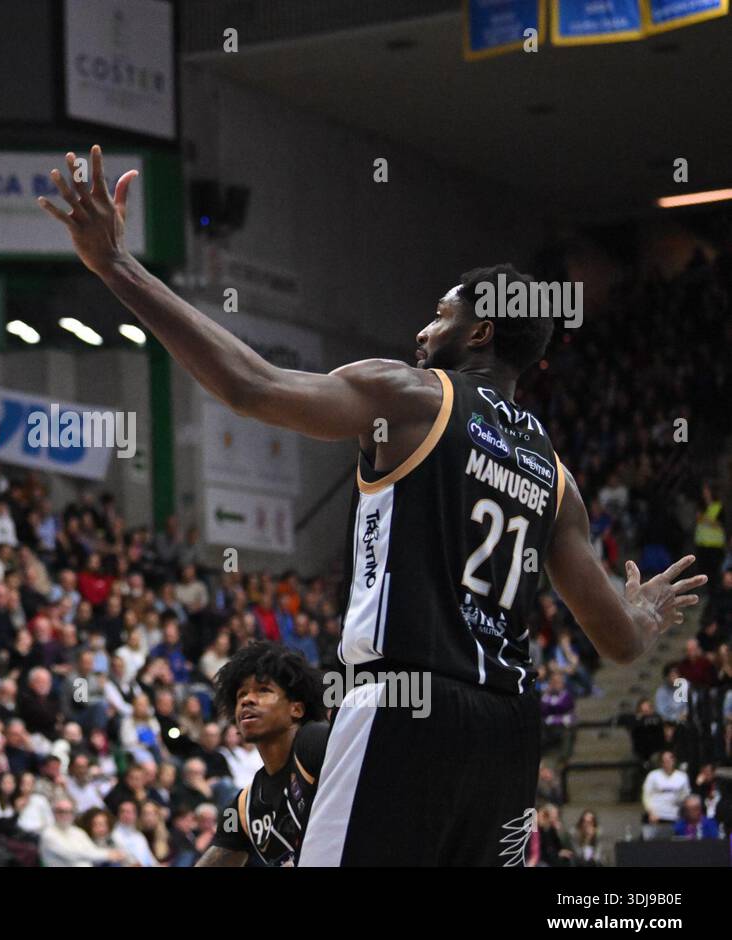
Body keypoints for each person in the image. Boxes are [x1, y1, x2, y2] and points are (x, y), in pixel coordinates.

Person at [39, 145, 708, 864]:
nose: (423, 331)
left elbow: (248, 385)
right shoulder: (557, 477)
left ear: (479, 332)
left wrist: (117, 266)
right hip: (509, 733)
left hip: (405, 705)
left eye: (440, 314)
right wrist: (639, 612)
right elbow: (619, 642)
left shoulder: (413, 396)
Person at [196, 642, 329, 867]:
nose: (247, 700)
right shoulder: (243, 808)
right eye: (241, 695)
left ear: (296, 708)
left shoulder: (313, 741)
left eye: (263, 690)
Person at [642, 750, 690, 828]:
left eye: (669, 760)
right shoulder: (653, 775)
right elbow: (646, 796)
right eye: (664, 761)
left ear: (674, 761)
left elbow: (686, 795)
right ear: (661, 762)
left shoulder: (682, 777)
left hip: (674, 816)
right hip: (656, 816)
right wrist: (650, 813)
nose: (667, 763)